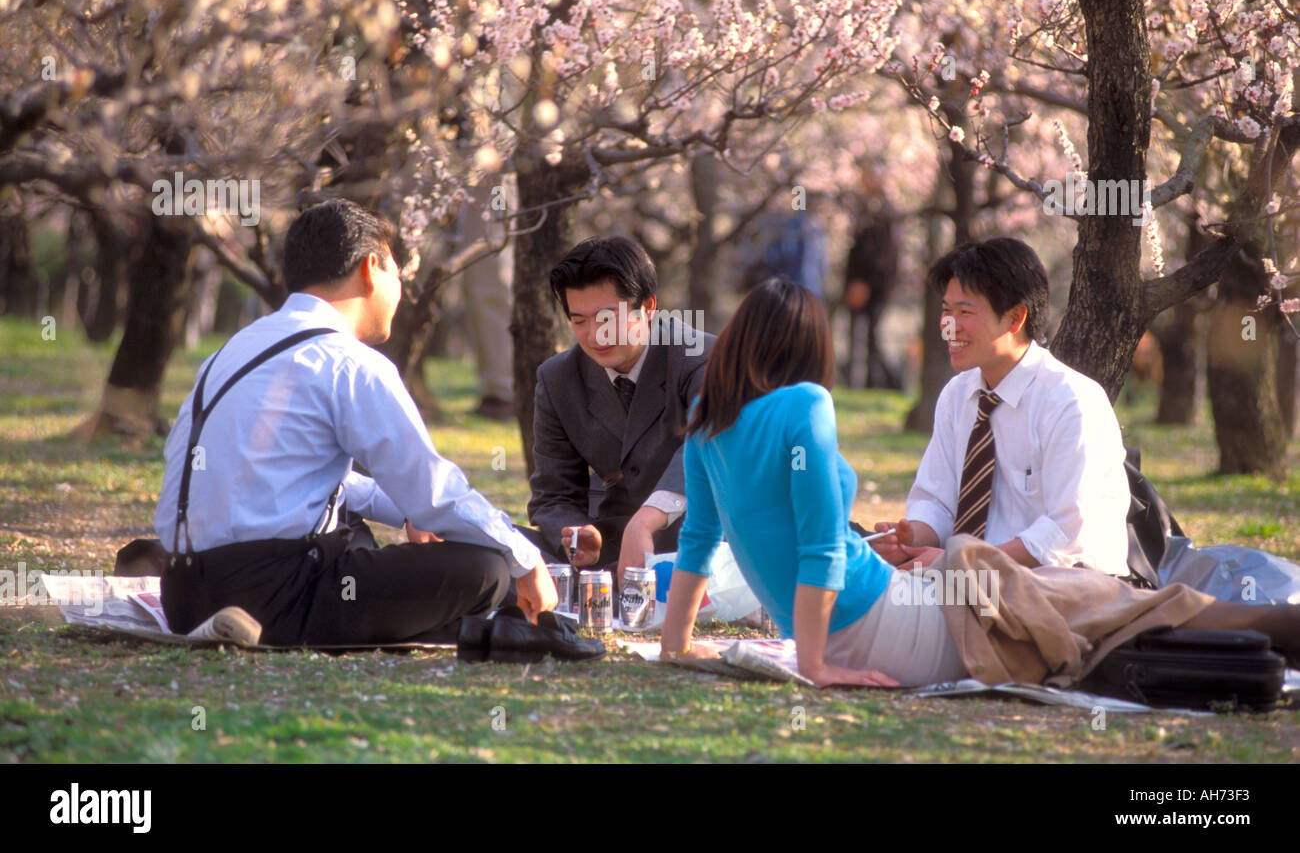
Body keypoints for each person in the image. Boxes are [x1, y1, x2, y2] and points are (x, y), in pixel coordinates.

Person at [658, 278, 1300, 687]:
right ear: (808, 347)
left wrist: (676, 644)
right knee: (1126, 605)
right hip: (889, 627)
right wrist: (818, 667)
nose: (949, 324)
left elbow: (700, 538)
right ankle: (1283, 625)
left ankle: (1265, 626)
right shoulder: (804, 405)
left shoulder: (707, 420)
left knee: (1093, 601)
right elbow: (820, 551)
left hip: (874, 612)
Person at [154, 199, 556, 646]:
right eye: (397, 272)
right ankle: (461, 626)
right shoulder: (348, 362)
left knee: (353, 530)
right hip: (273, 595)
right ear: (371, 267)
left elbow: (296, 477)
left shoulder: (232, 351)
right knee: (486, 570)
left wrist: (406, 511)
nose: (401, 290)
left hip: (184, 594)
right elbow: (431, 490)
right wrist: (525, 559)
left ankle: (431, 622)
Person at [872, 237, 1130, 575]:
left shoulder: (1071, 401)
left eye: (964, 312)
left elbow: (1067, 531)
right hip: (972, 581)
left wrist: (962, 563)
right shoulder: (957, 395)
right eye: (946, 311)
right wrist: (911, 534)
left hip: (1061, 587)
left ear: (1015, 318)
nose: (949, 326)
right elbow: (936, 500)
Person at [526, 236, 714, 582]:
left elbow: (708, 447)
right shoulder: (557, 379)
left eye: (607, 318)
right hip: (609, 547)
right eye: (579, 320)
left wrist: (648, 518)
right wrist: (577, 536)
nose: (595, 336)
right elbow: (554, 495)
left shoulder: (701, 357)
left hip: (706, 543)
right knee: (502, 553)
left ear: (649, 306)